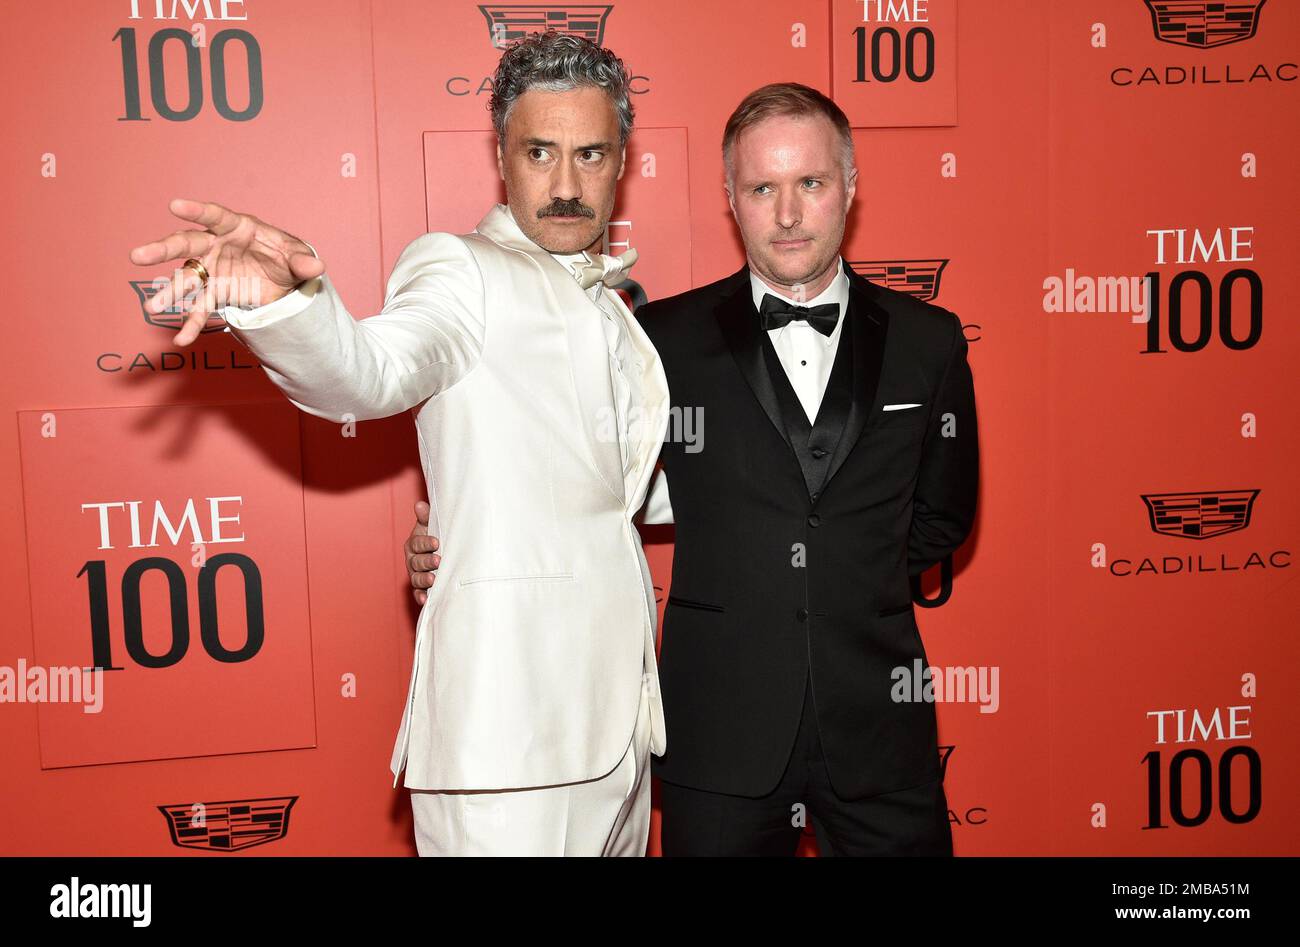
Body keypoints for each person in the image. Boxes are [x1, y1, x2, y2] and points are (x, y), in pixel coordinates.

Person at [129, 30, 669, 857]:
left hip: (621, 741)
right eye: (539, 152)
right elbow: (368, 370)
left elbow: (627, 488)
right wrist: (282, 305)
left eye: (591, 155)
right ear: (501, 154)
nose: (565, 185)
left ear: (623, 157)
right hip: (504, 750)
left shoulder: (615, 306)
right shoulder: (460, 271)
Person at [406, 82, 979, 855]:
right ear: (730, 198)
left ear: (848, 185)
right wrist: (459, 537)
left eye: (809, 183)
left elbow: (941, 516)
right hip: (717, 729)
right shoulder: (660, 338)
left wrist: (852, 568)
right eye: (761, 188)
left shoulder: (929, 339)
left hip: (881, 726)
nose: (787, 213)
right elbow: (584, 479)